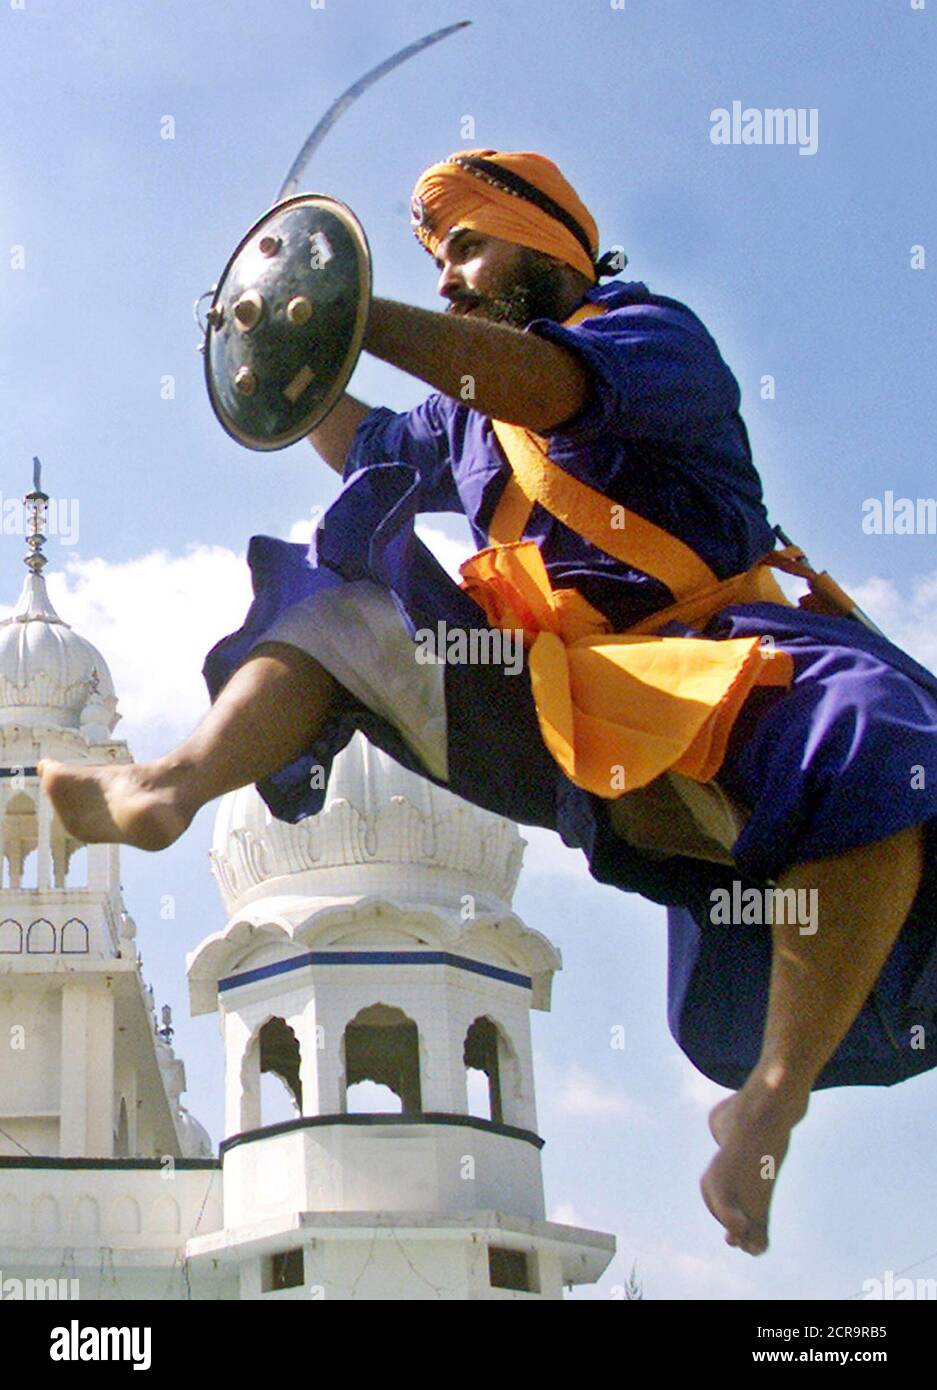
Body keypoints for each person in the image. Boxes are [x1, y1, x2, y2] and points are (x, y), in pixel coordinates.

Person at [38, 149, 937, 1258]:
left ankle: (770, 1098)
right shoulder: (459, 422)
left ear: (551, 245)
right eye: (436, 259)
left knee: (866, 738)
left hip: (719, 669)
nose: (452, 275)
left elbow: (543, 388)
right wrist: (267, 341)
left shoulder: (652, 337)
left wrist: (354, 307)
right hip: (560, 708)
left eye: (466, 245)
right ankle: (174, 782)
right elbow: (358, 436)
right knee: (345, 590)